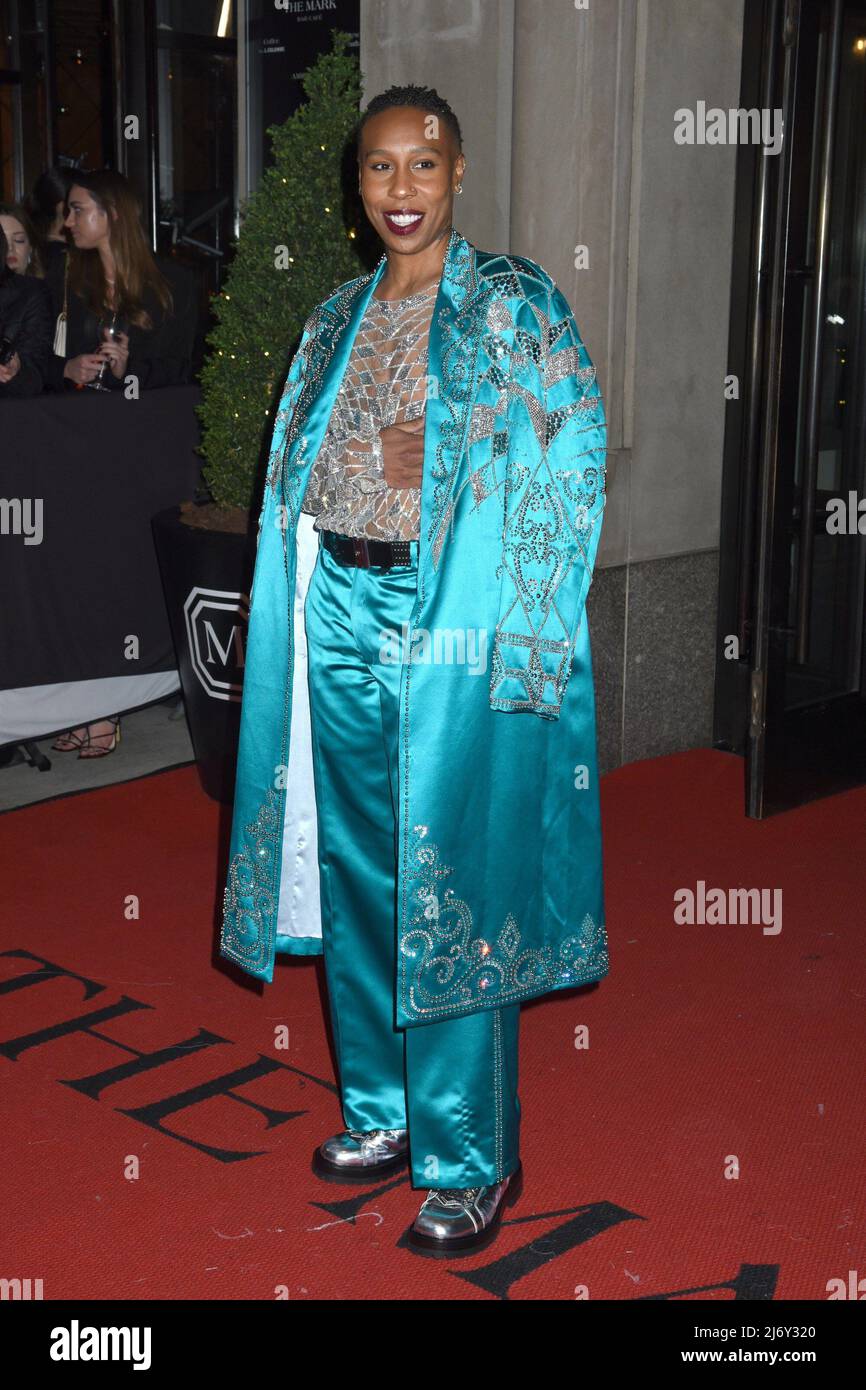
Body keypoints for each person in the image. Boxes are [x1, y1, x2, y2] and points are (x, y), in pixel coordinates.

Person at [220, 85, 609, 1257]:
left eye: (421, 166)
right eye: (379, 168)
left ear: (456, 177)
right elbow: (296, 465)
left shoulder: (510, 303)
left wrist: (439, 442)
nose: (400, 188)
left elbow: (568, 444)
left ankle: (471, 1155)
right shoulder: (334, 314)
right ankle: (383, 1112)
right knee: (355, 862)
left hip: (445, 614)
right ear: (357, 186)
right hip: (335, 595)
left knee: (447, 871)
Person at [42, 168, 196, 393]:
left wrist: (127, 372)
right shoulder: (65, 274)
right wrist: (66, 368)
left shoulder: (172, 281)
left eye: (77, 210)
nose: (68, 222)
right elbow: (35, 352)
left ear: (112, 211)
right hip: (77, 418)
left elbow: (180, 367)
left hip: (145, 418)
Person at [0, 224, 52, 398]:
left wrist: (15, 368)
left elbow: (35, 376)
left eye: (19, 240)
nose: (11, 248)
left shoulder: (31, 293)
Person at [0, 202, 46, 278]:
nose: (9, 248)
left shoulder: (43, 288)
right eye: (1, 240)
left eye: (19, 240)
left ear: (30, 248)